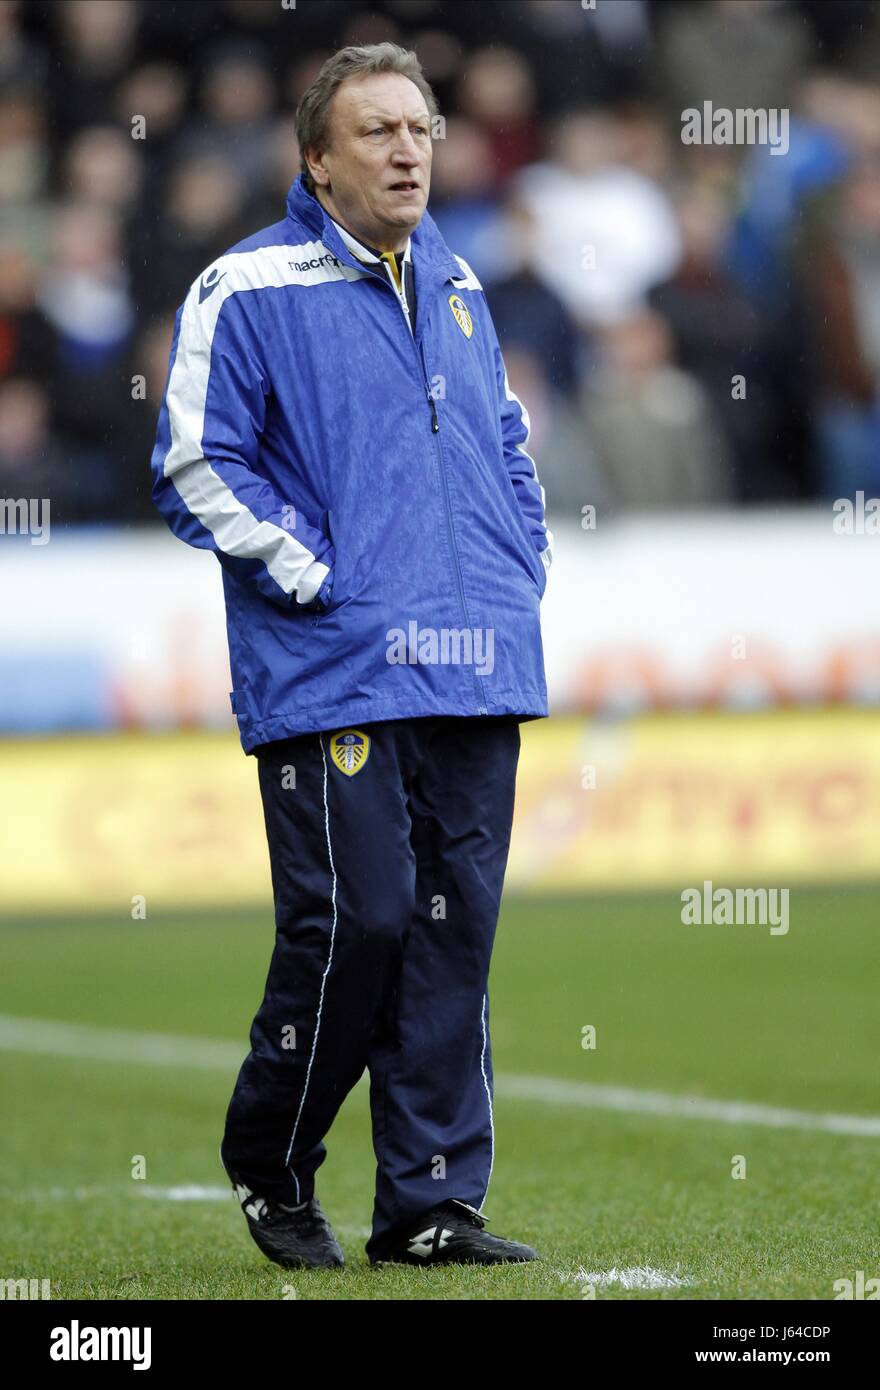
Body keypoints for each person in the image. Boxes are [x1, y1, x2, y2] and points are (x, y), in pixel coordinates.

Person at [150, 43, 552, 1269]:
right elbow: (194, 464)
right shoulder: (245, 287)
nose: (407, 149)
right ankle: (272, 1155)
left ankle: (429, 1204)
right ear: (316, 160)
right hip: (336, 669)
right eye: (376, 131)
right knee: (360, 923)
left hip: (476, 660)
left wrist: (516, 568)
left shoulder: (462, 283)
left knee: (449, 937)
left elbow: (507, 442)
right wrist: (324, 583)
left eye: (420, 128)